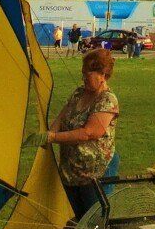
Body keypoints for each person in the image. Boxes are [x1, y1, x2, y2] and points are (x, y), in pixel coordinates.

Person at [47, 48, 121, 219]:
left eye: (88, 75)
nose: (84, 79)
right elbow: (62, 116)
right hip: (71, 173)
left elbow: (88, 133)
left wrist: (53, 138)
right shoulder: (79, 93)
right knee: (79, 224)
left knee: (95, 222)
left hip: (96, 173)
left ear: (103, 75)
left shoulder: (107, 100)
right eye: (83, 74)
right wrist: (50, 132)